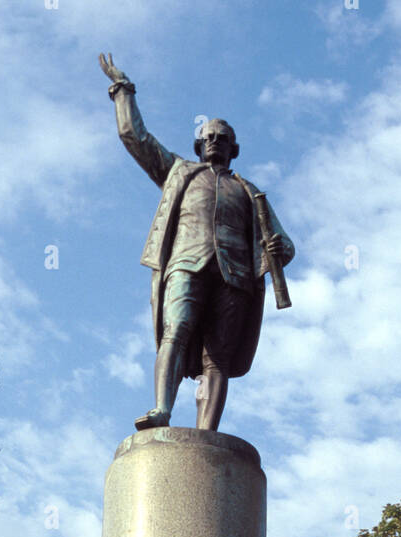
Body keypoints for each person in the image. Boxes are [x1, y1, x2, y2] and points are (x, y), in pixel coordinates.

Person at [99, 53, 295, 431]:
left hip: (235, 277)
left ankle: (207, 433)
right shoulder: (178, 172)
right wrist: (123, 89)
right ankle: (162, 409)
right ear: (198, 145)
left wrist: (277, 252)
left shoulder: (251, 193)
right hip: (186, 264)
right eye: (209, 137)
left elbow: (284, 244)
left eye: (223, 138)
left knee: (217, 359)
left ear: (234, 149)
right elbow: (134, 137)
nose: (215, 141)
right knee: (176, 330)